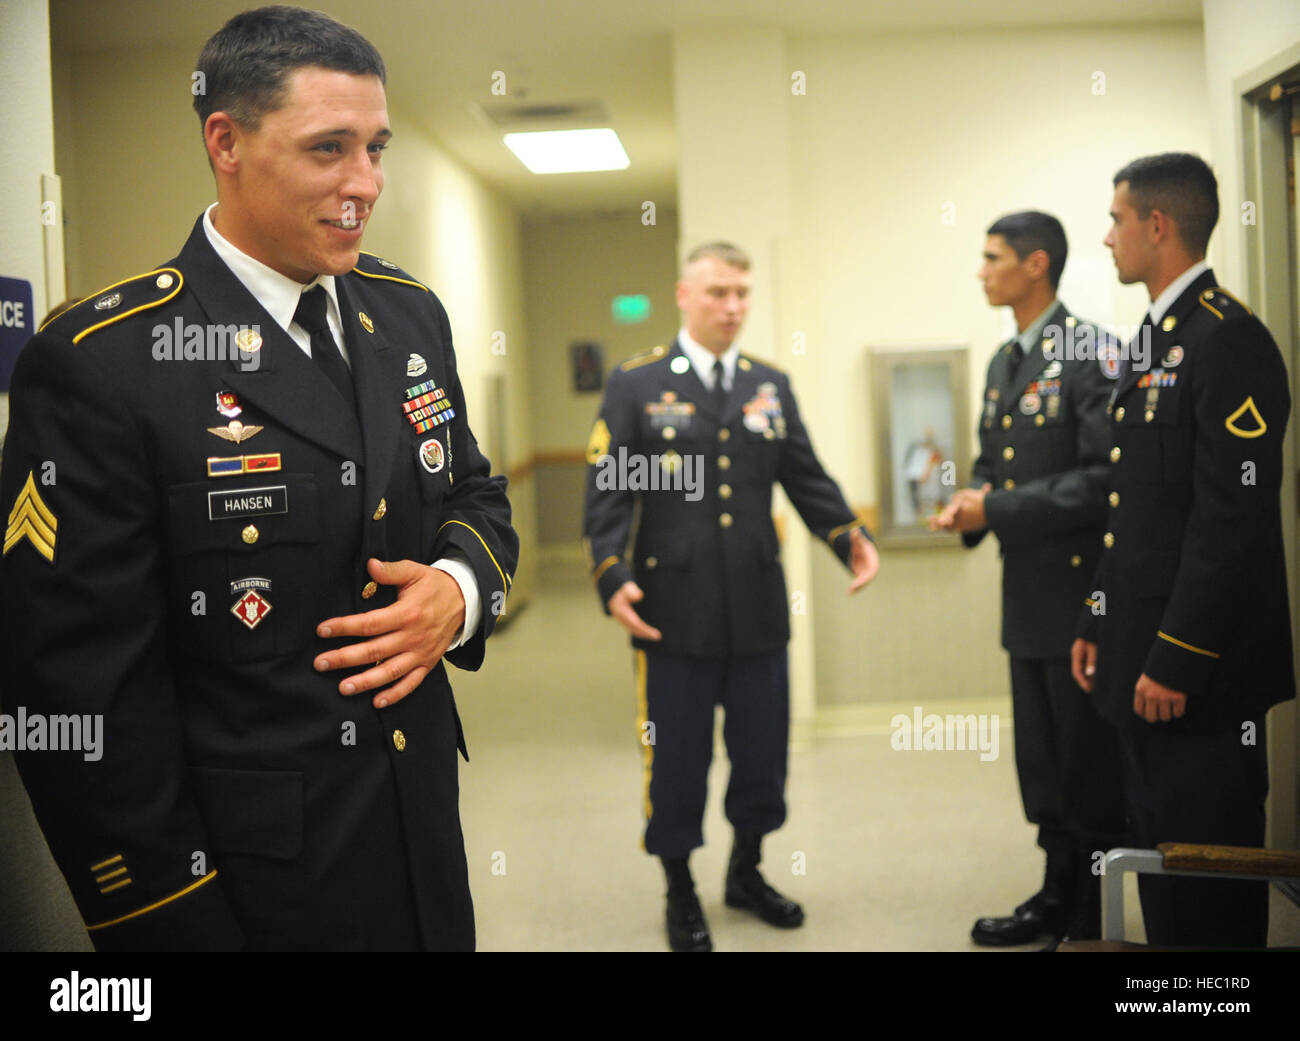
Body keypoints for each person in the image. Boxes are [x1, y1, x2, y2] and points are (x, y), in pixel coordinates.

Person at [0, 5, 517, 951]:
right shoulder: (104, 361)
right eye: (330, 149)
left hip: (419, 839)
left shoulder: (406, 318)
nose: (366, 184)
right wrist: (165, 925)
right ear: (225, 141)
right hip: (249, 892)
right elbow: (80, 699)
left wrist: (459, 588)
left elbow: (475, 494)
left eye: (376, 148)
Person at [582, 241, 879, 952]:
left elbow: (804, 475)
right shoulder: (638, 383)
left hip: (757, 610)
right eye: (718, 292)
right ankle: (679, 888)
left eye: (743, 293)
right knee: (677, 761)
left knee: (760, 756)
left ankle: (746, 871)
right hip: (670, 615)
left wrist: (847, 535)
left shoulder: (767, 385)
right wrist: (611, 573)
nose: (734, 306)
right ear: (684, 295)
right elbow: (609, 489)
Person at [1072, 153, 1294, 947]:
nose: (1106, 238)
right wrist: (1098, 616)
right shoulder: (1156, 337)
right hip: (1144, 659)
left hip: (1198, 679)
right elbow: (1133, 509)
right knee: (1164, 868)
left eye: (1115, 219)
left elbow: (1229, 521)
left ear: (1155, 225)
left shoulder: (1226, 340)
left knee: (1208, 882)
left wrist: (1176, 654)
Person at [931, 212, 1126, 947]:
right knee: (1043, 763)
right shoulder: (1005, 361)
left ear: (1036, 264)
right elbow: (994, 465)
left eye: (992, 258)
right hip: (1028, 595)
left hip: (1082, 597)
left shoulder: (1090, 352)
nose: (981, 271)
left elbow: (1108, 477)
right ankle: (1054, 894)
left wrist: (999, 504)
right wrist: (969, 506)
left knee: (1086, 765)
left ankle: (1087, 917)